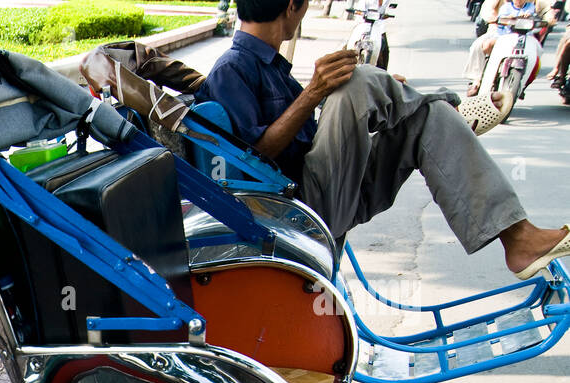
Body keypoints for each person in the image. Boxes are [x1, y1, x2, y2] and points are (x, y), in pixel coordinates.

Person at [199, 0, 569, 279]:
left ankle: (517, 237)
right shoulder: (233, 67)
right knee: (356, 83)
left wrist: (323, 99)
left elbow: (305, 133)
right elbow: (255, 154)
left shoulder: (268, 66)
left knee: (428, 119)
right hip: (295, 208)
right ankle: (449, 106)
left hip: (327, 189)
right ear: (293, 5)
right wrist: (313, 94)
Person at [464, 0, 557, 96]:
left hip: (526, 34)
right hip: (498, 31)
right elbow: (487, 9)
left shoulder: (532, 4)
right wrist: (496, 18)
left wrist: (550, 19)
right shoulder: (504, 5)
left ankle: (523, 84)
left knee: (538, 52)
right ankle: (476, 80)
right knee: (478, 46)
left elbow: (548, 10)